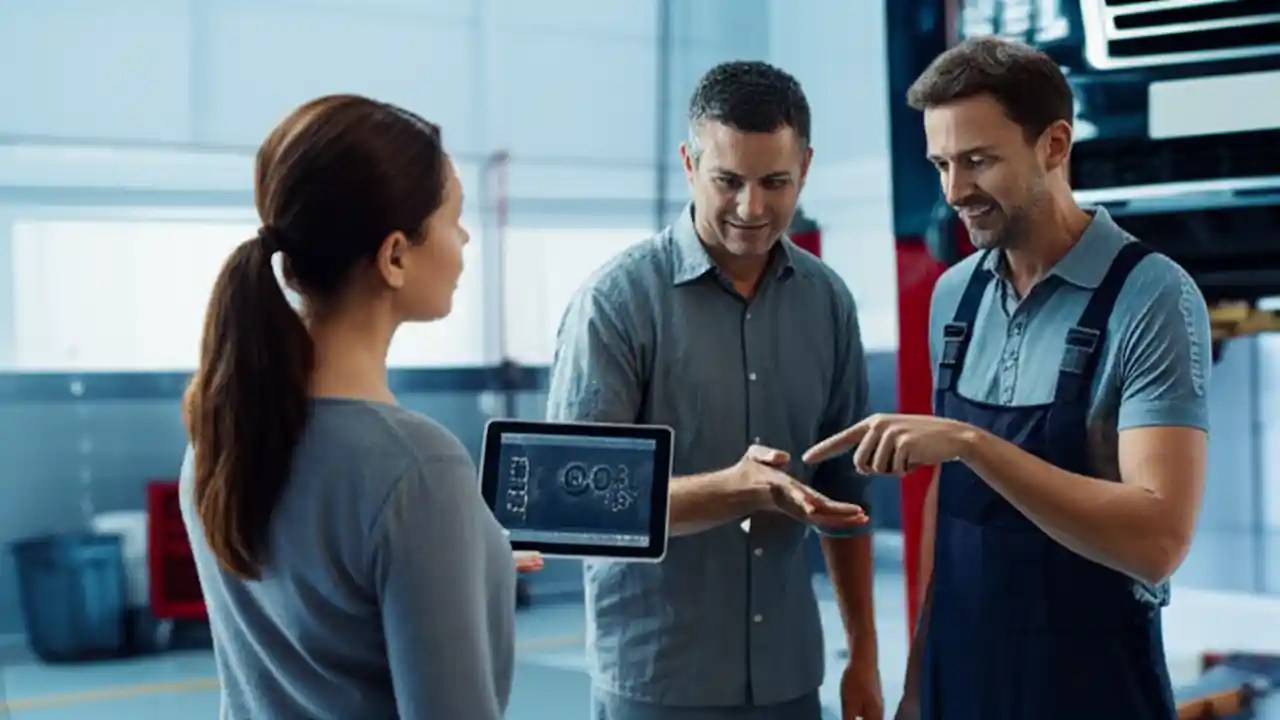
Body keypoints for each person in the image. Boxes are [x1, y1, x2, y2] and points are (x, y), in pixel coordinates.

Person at [804, 37, 1212, 720]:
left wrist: (975, 444)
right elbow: (947, 500)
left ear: (1053, 145)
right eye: (940, 164)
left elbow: (1157, 540)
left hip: (1092, 689)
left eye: (978, 160)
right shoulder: (953, 297)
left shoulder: (1151, 298)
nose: (954, 190)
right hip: (960, 678)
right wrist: (917, 679)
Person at [178, 94, 541, 720]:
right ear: (395, 255)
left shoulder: (218, 441)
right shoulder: (417, 470)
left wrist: (458, 565)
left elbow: (321, 605)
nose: (465, 237)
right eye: (454, 216)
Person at [547, 61, 883, 720]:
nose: (752, 209)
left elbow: (846, 493)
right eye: (728, 180)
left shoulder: (828, 302)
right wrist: (740, 489)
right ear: (689, 163)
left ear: (806, 168)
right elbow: (572, 504)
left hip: (790, 679)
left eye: (775, 182)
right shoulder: (615, 304)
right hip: (660, 683)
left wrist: (864, 656)